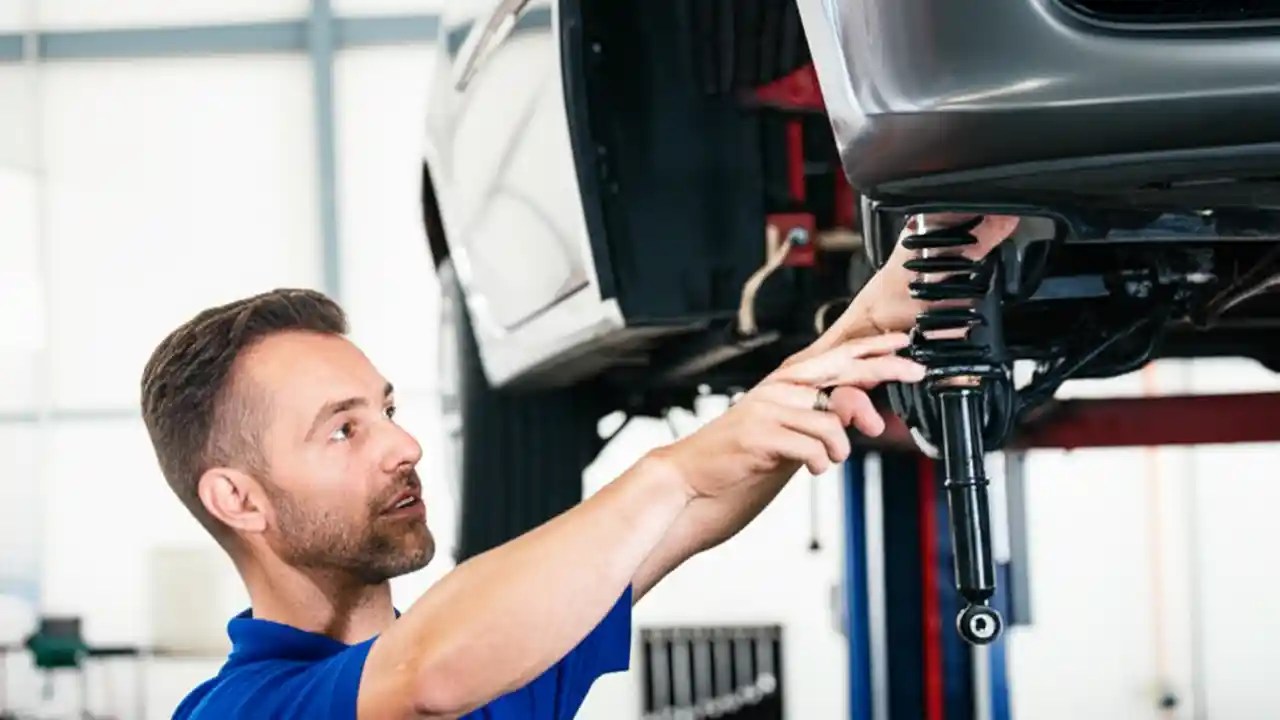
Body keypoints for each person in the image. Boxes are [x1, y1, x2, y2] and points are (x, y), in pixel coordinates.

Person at [140, 214, 1017, 719]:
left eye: (389, 412)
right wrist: (674, 465)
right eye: (343, 431)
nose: (402, 446)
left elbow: (679, 522)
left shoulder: (498, 640)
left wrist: (890, 301)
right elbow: (424, 677)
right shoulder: (238, 711)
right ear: (237, 499)